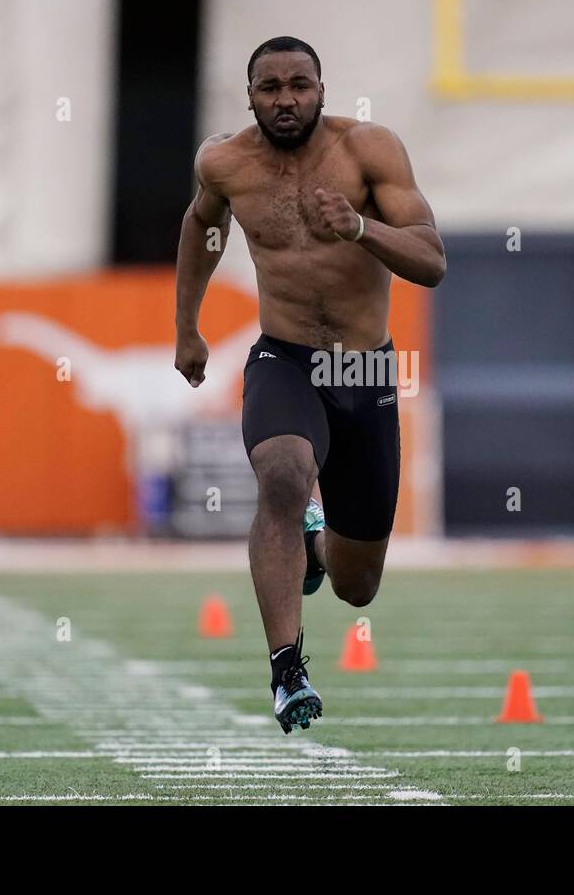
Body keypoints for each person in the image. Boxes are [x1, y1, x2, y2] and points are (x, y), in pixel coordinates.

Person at [173, 36, 445, 732]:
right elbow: (203, 226)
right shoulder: (224, 161)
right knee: (283, 477)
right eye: (270, 87)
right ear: (251, 96)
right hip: (285, 359)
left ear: (322, 89)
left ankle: (318, 548)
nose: (285, 99)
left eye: (299, 85)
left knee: (358, 587)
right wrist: (187, 327)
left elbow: (432, 260)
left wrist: (358, 227)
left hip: (362, 368)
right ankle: (287, 668)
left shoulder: (370, 151)